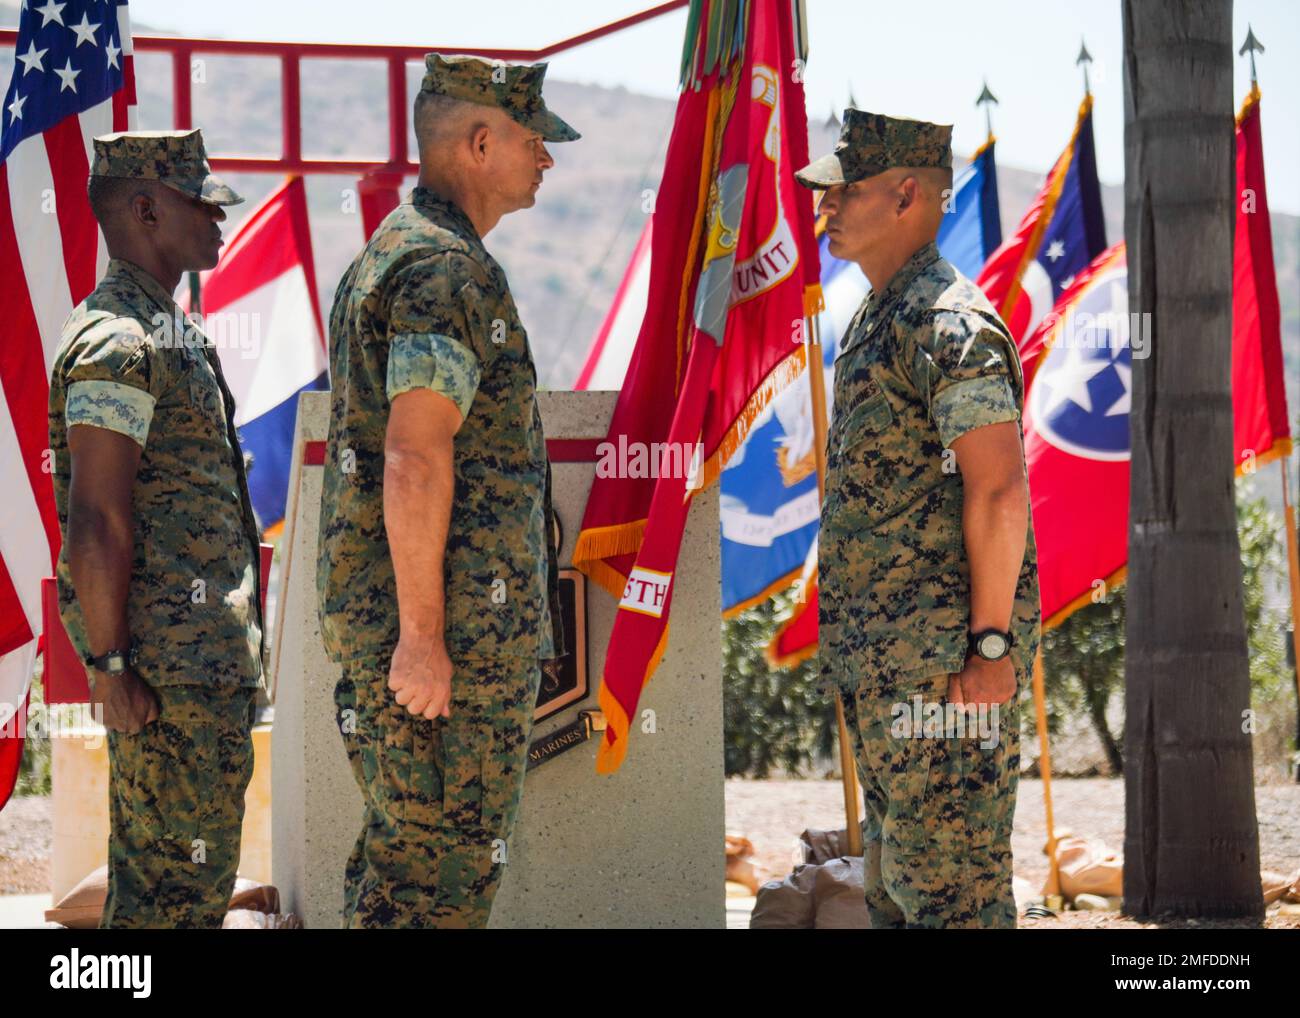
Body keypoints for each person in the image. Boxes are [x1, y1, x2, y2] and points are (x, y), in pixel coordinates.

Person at [317, 53, 573, 928]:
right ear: (478, 141)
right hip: (440, 637)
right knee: (435, 879)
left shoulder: (400, 255)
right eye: (535, 141)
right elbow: (415, 456)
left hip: (422, 625)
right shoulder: (444, 272)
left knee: (407, 868)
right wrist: (424, 639)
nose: (548, 160)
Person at [796, 109, 1041, 928]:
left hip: (948, 672)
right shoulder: (877, 317)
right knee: (899, 894)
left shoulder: (948, 325)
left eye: (845, 190)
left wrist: (991, 645)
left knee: (953, 899)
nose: (825, 206)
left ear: (907, 194)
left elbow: (1000, 490)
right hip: (890, 667)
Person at [48, 129, 262, 928]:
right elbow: (96, 517)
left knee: (186, 900)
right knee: (163, 908)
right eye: (199, 202)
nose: (218, 217)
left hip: (198, 675)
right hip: (168, 683)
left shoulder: (164, 330)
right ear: (144, 208)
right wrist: (109, 668)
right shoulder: (119, 339)